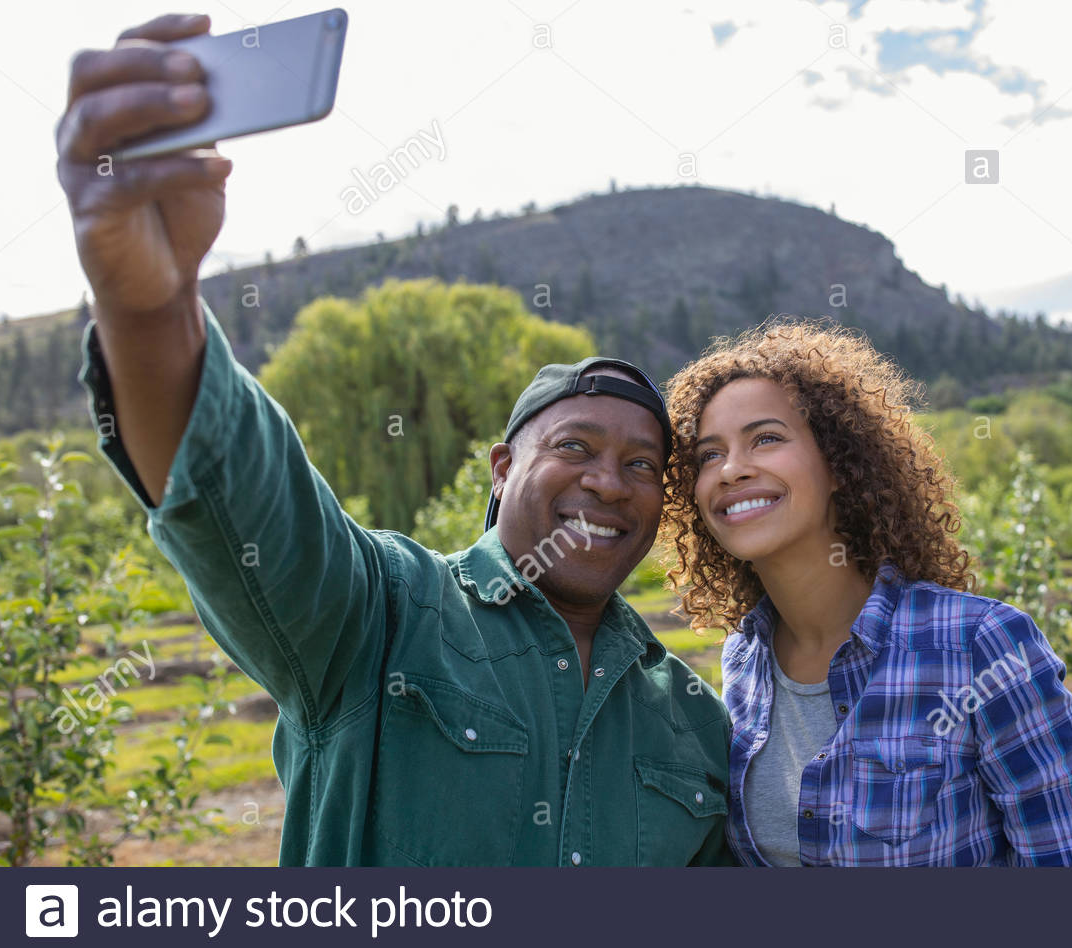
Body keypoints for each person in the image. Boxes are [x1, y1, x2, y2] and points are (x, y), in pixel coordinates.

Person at [56, 12, 733, 866]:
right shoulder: (379, 611)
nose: (609, 481)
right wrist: (150, 306)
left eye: (643, 465)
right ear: (502, 464)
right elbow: (240, 496)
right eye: (575, 448)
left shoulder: (695, 720)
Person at [659, 320, 1072, 866]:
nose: (733, 469)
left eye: (767, 438)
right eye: (709, 454)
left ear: (838, 464)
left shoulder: (984, 646)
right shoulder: (744, 661)